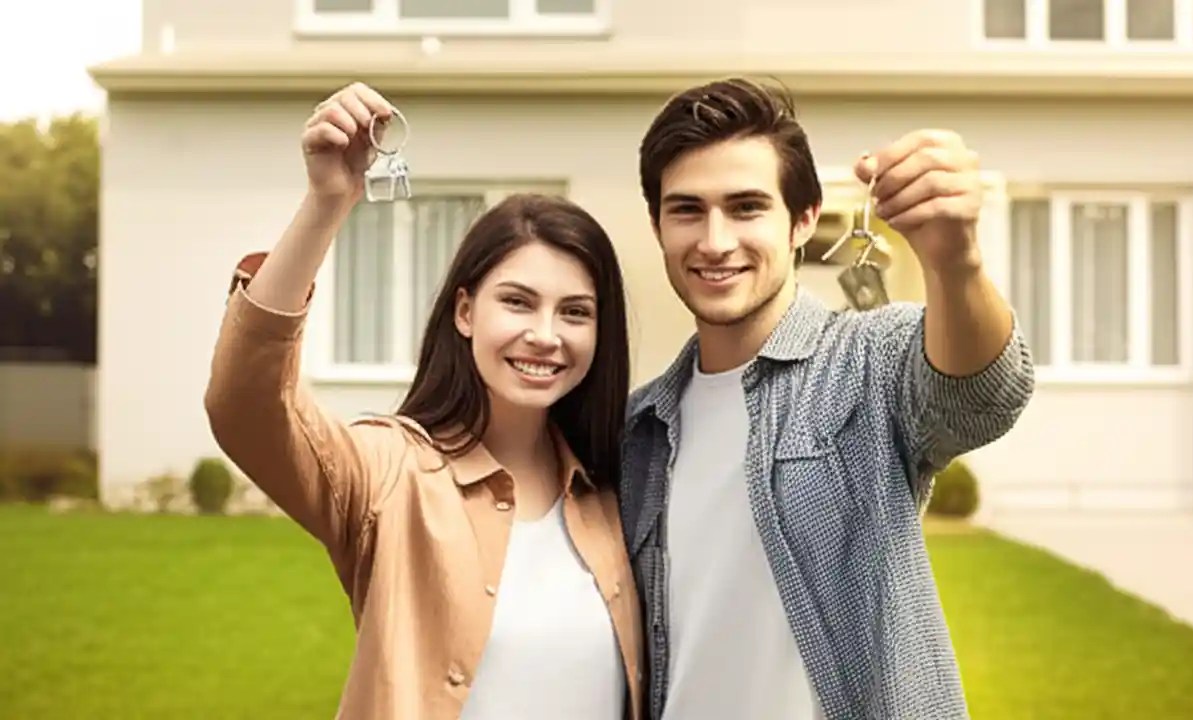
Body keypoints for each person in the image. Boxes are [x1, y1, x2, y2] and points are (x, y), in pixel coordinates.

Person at [203, 82, 644, 720]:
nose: (545, 336)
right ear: (465, 311)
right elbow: (246, 407)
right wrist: (328, 202)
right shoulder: (392, 471)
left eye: (575, 312)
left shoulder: (621, 488)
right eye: (517, 302)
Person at [620, 77, 1037, 719]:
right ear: (657, 226)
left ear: (803, 220)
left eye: (747, 207)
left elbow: (981, 396)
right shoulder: (637, 431)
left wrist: (956, 262)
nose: (715, 240)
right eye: (686, 210)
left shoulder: (867, 360)